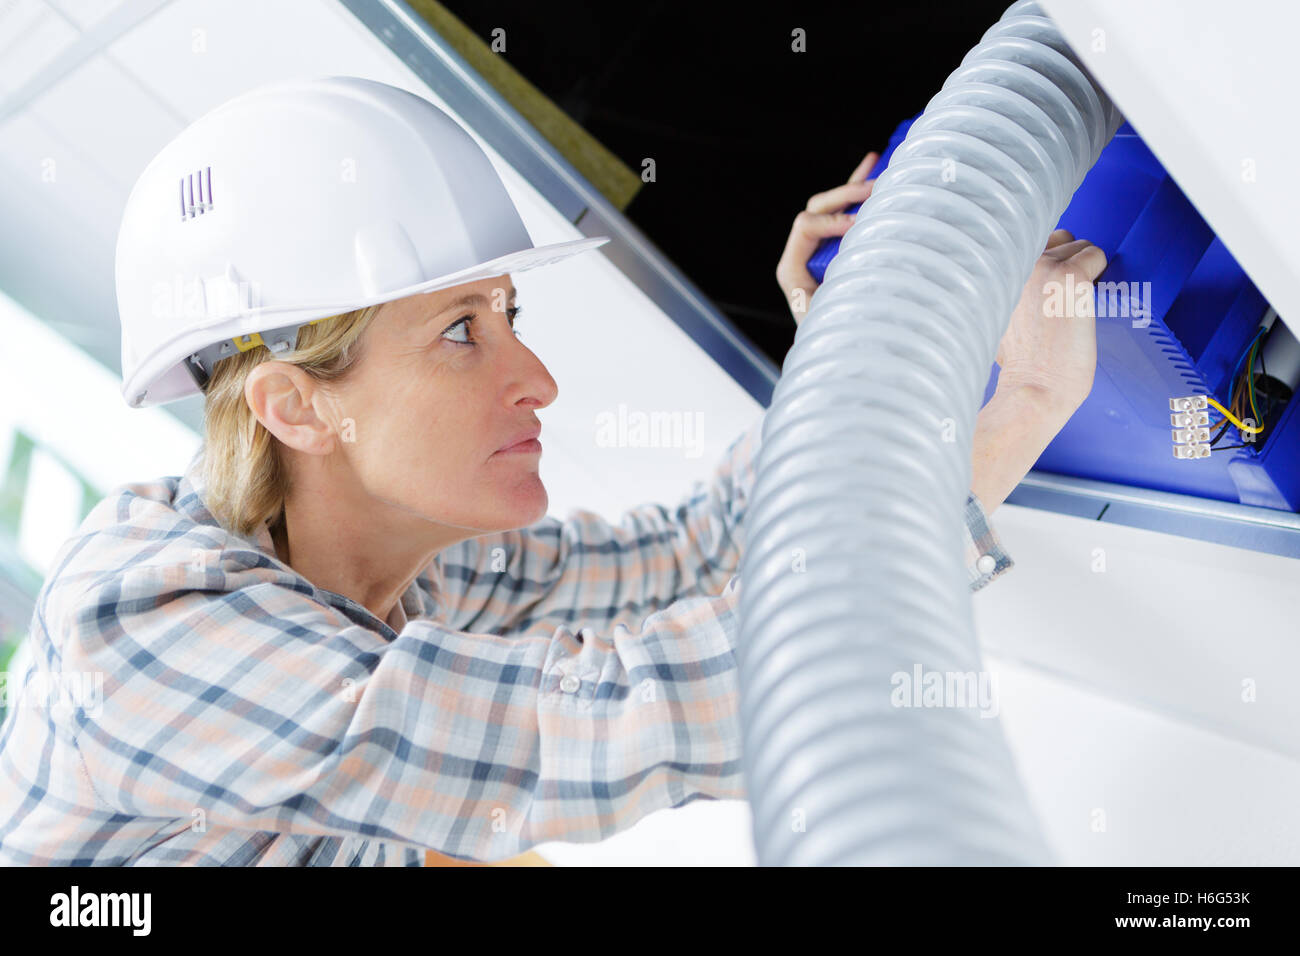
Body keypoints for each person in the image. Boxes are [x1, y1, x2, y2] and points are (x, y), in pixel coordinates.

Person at [0, 78, 1104, 866]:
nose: (538, 379)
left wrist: (842, 346)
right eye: (458, 331)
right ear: (296, 405)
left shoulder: (400, 559)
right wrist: (1027, 410)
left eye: (507, 312)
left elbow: (686, 553)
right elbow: (620, 719)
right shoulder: (145, 631)